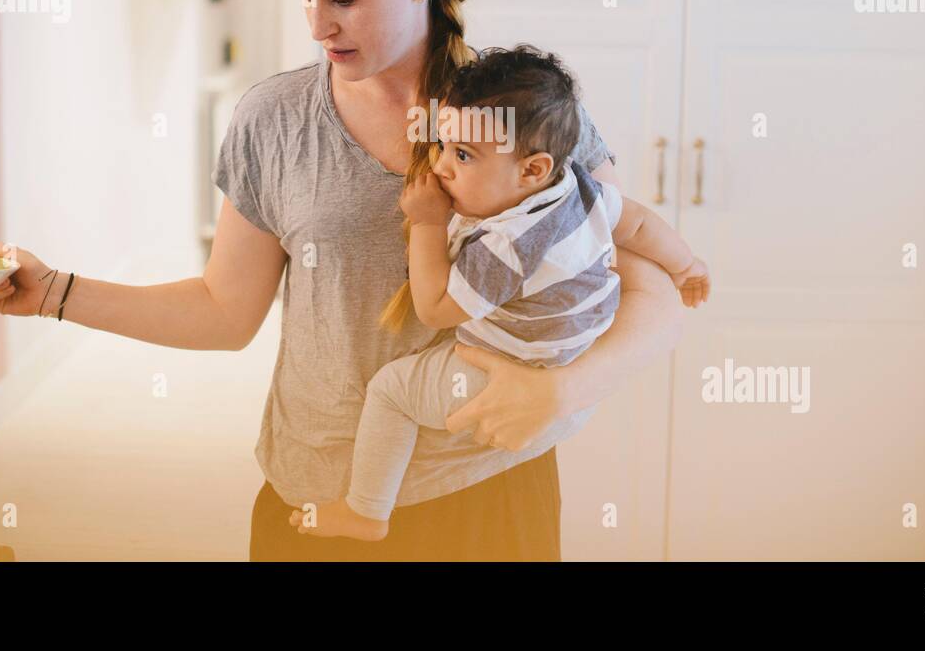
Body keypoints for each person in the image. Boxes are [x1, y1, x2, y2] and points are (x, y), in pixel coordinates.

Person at [0, 0, 691, 561]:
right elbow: (225, 313)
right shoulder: (273, 119)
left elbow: (648, 282)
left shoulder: (523, 115)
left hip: (487, 489)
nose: (318, 23)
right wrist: (54, 295)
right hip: (318, 500)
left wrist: (562, 392)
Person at [287, 45, 709, 541]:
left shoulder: (508, 246)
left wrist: (427, 222)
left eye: (463, 155)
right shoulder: (576, 187)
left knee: (391, 391)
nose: (442, 167)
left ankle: (367, 510)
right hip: (577, 344)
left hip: (514, 370)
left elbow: (437, 309)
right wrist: (687, 264)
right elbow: (635, 222)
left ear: (531, 169)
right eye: (444, 144)